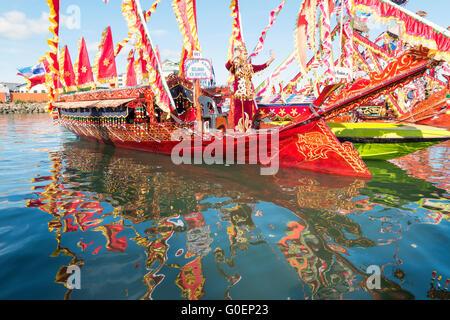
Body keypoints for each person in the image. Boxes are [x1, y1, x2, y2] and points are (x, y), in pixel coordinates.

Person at [226, 43, 275, 132]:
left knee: (248, 113)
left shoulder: (249, 67)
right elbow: (227, 66)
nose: (245, 56)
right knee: (238, 113)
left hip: (248, 94)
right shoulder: (236, 66)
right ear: (240, 55)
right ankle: (238, 131)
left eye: (246, 54)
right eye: (244, 54)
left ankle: (248, 130)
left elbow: (261, 67)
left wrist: (271, 59)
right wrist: (234, 56)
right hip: (239, 94)